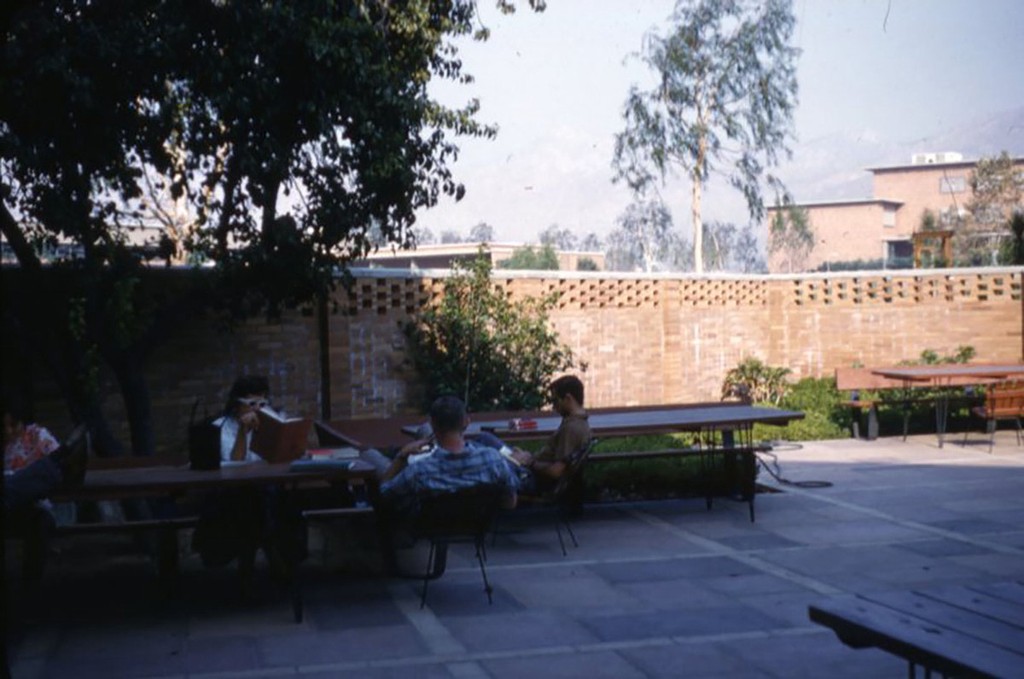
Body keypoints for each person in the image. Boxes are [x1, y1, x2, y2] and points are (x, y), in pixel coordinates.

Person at [191, 375, 305, 587]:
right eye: (251, 404)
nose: (257, 409)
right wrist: (244, 433)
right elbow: (232, 462)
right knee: (251, 504)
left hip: (268, 492)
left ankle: (256, 564)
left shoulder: (271, 422)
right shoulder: (221, 427)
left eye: (262, 403)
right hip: (230, 496)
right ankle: (269, 556)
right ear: (237, 404)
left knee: (276, 504)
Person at [3, 402, 87, 578]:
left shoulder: (35, 436)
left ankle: (30, 585)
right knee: (14, 484)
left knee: (40, 521)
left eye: (13, 425)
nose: (8, 432)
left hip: (27, 505)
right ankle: (57, 461)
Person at [485, 374, 591, 494]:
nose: (553, 407)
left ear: (568, 399)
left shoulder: (573, 428)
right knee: (487, 441)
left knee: (484, 442)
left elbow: (556, 471)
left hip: (530, 478)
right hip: (529, 467)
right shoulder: (579, 423)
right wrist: (528, 457)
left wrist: (529, 462)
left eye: (555, 401)